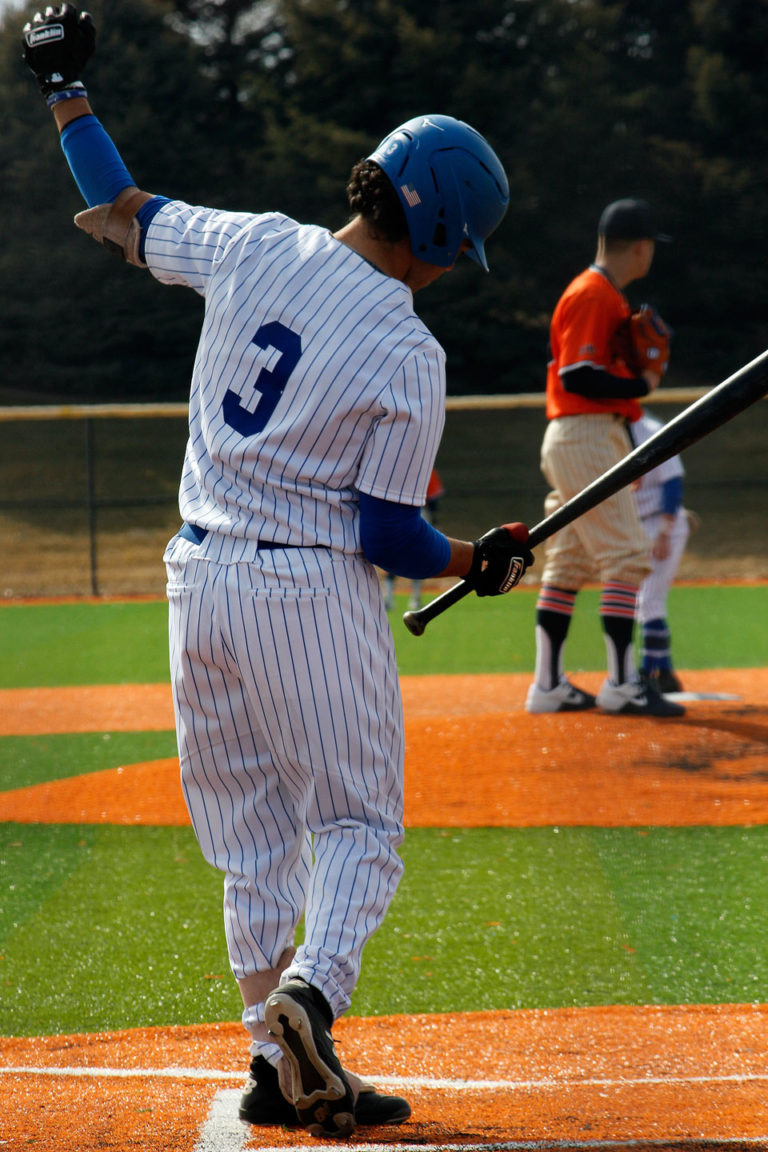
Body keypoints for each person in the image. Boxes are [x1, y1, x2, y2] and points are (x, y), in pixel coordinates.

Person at [22, 4, 535, 1138]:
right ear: (445, 231)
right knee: (357, 826)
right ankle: (313, 998)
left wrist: (66, 91)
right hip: (304, 589)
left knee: (251, 844)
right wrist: (479, 562)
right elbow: (389, 534)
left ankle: (274, 1064)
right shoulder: (408, 345)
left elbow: (121, 208)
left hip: (194, 583)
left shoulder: (256, 241)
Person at [525, 198, 685, 718]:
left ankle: (548, 685)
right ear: (640, 249)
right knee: (627, 557)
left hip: (578, 435)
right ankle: (623, 684)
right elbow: (578, 375)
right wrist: (642, 382)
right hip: (587, 434)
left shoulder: (600, 294)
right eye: (650, 249)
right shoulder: (595, 293)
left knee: (569, 561)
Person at [630, 410, 699, 695]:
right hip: (637, 526)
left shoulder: (650, 428)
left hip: (661, 523)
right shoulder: (606, 431)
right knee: (642, 604)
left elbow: (673, 482)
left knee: (650, 601)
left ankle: (650, 672)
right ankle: (665, 673)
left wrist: (665, 530)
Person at [383, 467, 444, 611]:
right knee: (417, 557)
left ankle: (389, 599)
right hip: (419, 514)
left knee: (394, 556)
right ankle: (415, 600)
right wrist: (434, 522)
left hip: (396, 515)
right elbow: (433, 502)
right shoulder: (426, 468)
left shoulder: (393, 469)